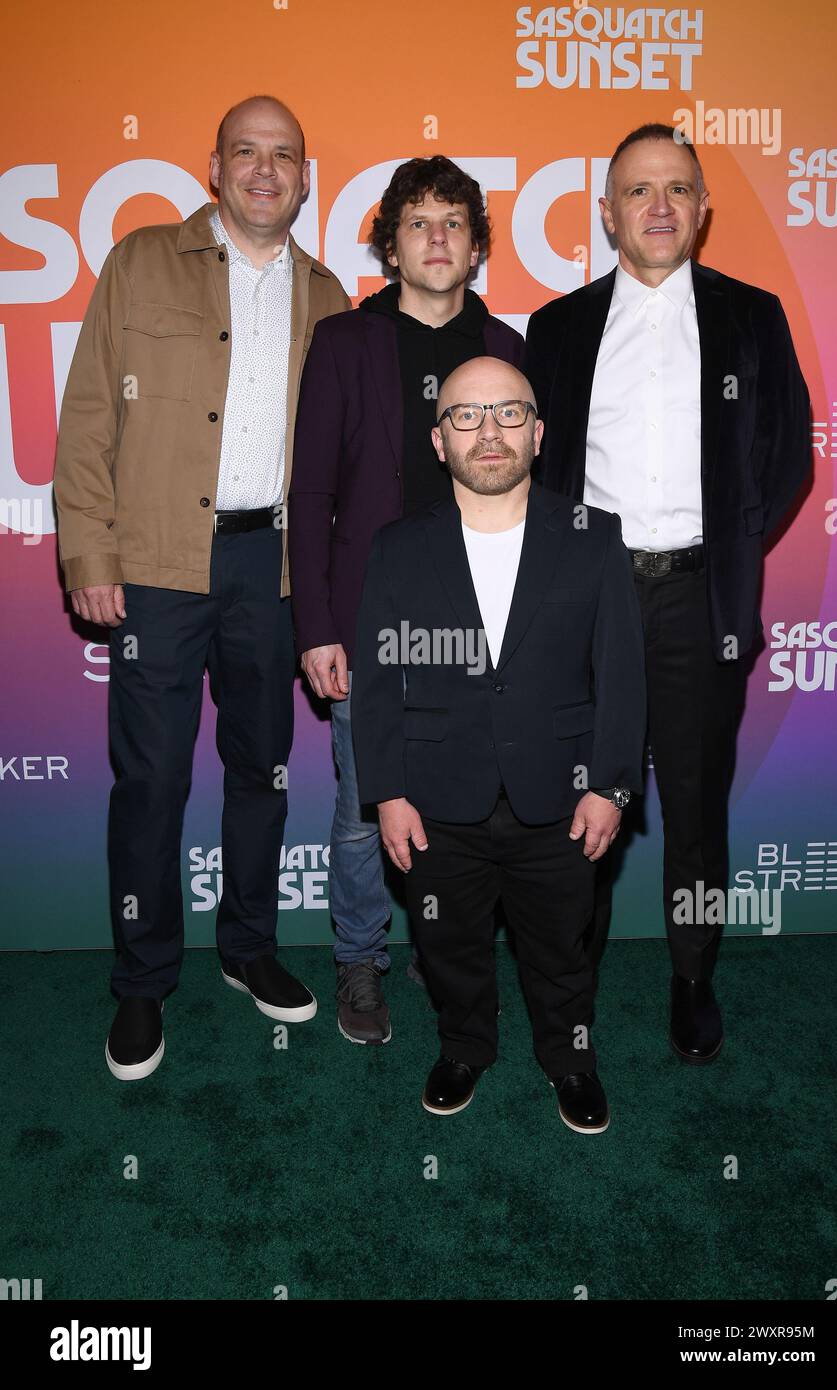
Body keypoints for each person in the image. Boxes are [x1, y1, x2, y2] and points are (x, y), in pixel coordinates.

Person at [54, 95, 350, 1080]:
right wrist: (90, 555)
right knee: (151, 782)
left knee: (262, 768)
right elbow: (90, 413)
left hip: (270, 571)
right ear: (213, 167)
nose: (266, 171)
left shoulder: (329, 297)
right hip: (158, 565)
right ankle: (142, 982)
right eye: (246, 153)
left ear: (304, 178)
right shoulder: (141, 261)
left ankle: (248, 945)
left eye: (284, 157)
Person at [524, 123, 811, 1063]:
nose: (657, 206)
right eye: (637, 190)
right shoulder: (556, 329)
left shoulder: (752, 316)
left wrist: (722, 544)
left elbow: (786, 458)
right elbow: (543, 470)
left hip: (698, 600)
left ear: (701, 210)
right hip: (589, 601)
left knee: (694, 808)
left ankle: (692, 978)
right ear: (605, 212)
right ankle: (574, 979)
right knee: (580, 802)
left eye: (676, 189)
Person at [350, 357, 646, 1131]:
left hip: (563, 788)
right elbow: (377, 685)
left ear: (538, 433)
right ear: (439, 440)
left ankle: (569, 1058)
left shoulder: (592, 537)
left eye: (509, 413)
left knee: (561, 949)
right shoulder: (396, 547)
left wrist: (611, 786)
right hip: (436, 792)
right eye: (466, 415)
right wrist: (386, 792)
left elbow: (622, 673)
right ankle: (463, 1047)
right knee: (448, 944)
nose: (488, 431)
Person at [288, 157, 524, 1045]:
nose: (436, 237)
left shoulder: (507, 354)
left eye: (453, 222)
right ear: (389, 241)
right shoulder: (345, 342)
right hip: (367, 626)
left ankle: (447, 951)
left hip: (485, 631)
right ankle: (359, 961)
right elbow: (310, 494)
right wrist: (316, 626)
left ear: (475, 244)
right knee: (362, 812)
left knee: (466, 804)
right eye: (417, 221)